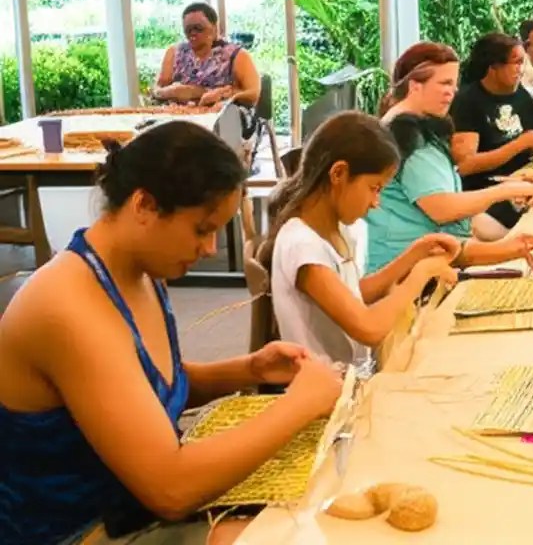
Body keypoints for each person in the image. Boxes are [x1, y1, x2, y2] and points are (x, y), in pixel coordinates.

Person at [0, 121, 342, 545]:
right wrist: (301, 404)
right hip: (76, 533)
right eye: (202, 228)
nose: (211, 248)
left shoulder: (139, 271)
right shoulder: (66, 306)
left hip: (128, 509)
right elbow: (171, 490)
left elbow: (144, 388)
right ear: (144, 205)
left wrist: (249, 369)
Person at [266, 112, 461, 365]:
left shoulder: (337, 228)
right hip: (327, 394)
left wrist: (414, 255)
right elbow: (368, 328)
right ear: (339, 174)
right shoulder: (302, 245)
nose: (375, 203)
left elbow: (354, 294)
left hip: (350, 379)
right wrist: (420, 274)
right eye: (374, 188)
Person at [365, 41, 533, 273]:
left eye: (454, 84)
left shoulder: (411, 127)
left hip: (428, 262)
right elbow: (442, 208)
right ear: (414, 86)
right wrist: (504, 192)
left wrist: (511, 193)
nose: (452, 92)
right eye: (445, 83)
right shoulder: (406, 136)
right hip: (403, 274)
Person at [451, 33, 533, 231]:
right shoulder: (468, 101)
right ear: (493, 66)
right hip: (489, 194)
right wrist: (519, 144)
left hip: (526, 182)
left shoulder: (519, 93)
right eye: (517, 63)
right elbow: (466, 165)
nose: (522, 70)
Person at [153, 2, 261, 108]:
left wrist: (222, 96)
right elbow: (157, 89)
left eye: (198, 28)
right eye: (188, 30)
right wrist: (170, 92)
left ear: (214, 28)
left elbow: (253, 94)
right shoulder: (175, 52)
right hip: (178, 118)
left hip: (223, 118)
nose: (193, 33)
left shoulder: (236, 55)